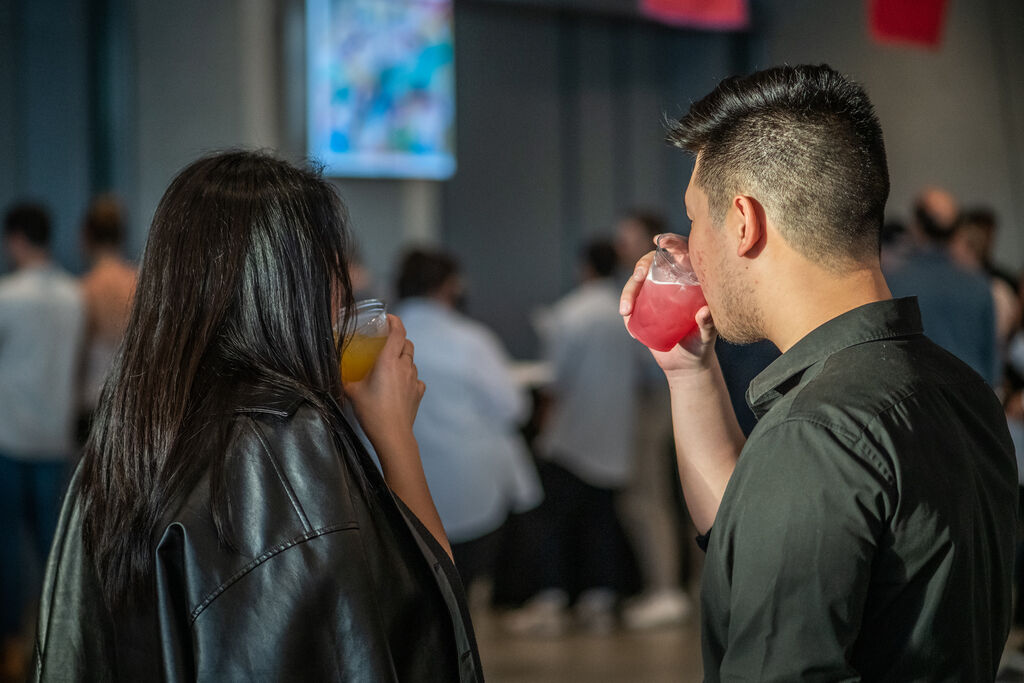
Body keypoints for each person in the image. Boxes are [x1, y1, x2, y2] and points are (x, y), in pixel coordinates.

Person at [619, 65, 1016, 679]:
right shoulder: (958, 388)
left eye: (697, 218)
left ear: (745, 222)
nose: (686, 245)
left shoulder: (816, 433)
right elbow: (754, 538)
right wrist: (689, 373)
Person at [32, 151, 482, 681]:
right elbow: (423, 633)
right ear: (292, 289)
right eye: (335, 272)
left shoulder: (124, 440)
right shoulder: (283, 446)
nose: (345, 294)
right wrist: (394, 436)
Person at [506, 239, 638, 635]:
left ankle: (553, 596)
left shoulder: (569, 314)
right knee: (602, 518)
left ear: (584, 267)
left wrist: (544, 430)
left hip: (572, 431)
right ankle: (600, 597)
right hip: (615, 431)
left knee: (556, 520)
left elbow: (554, 382)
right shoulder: (626, 314)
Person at [394, 248, 542, 590]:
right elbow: (513, 408)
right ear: (449, 286)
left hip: (396, 487)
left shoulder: (377, 339)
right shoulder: (470, 340)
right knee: (461, 587)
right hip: (470, 488)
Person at [0, 203, 84, 681]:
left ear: (14, 239)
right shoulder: (74, 296)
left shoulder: (7, 295)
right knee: (56, 551)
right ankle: (58, 645)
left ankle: (11, 648)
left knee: (8, 550)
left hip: (8, 438)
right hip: (55, 439)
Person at [614, 210, 694, 629]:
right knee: (659, 495)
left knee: (648, 496)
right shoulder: (645, 280)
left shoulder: (660, 278)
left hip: (656, 398)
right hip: (651, 397)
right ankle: (671, 588)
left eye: (626, 235)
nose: (619, 244)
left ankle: (665, 590)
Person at [886, 187, 999, 385]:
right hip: (975, 394)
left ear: (917, 225)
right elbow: (992, 357)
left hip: (921, 398)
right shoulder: (978, 281)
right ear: (956, 230)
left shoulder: (894, 280)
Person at [77, 195, 137, 445]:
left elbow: (79, 354)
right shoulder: (141, 281)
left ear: (86, 236)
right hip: (134, 396)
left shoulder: (86, 288)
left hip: (94, 398)